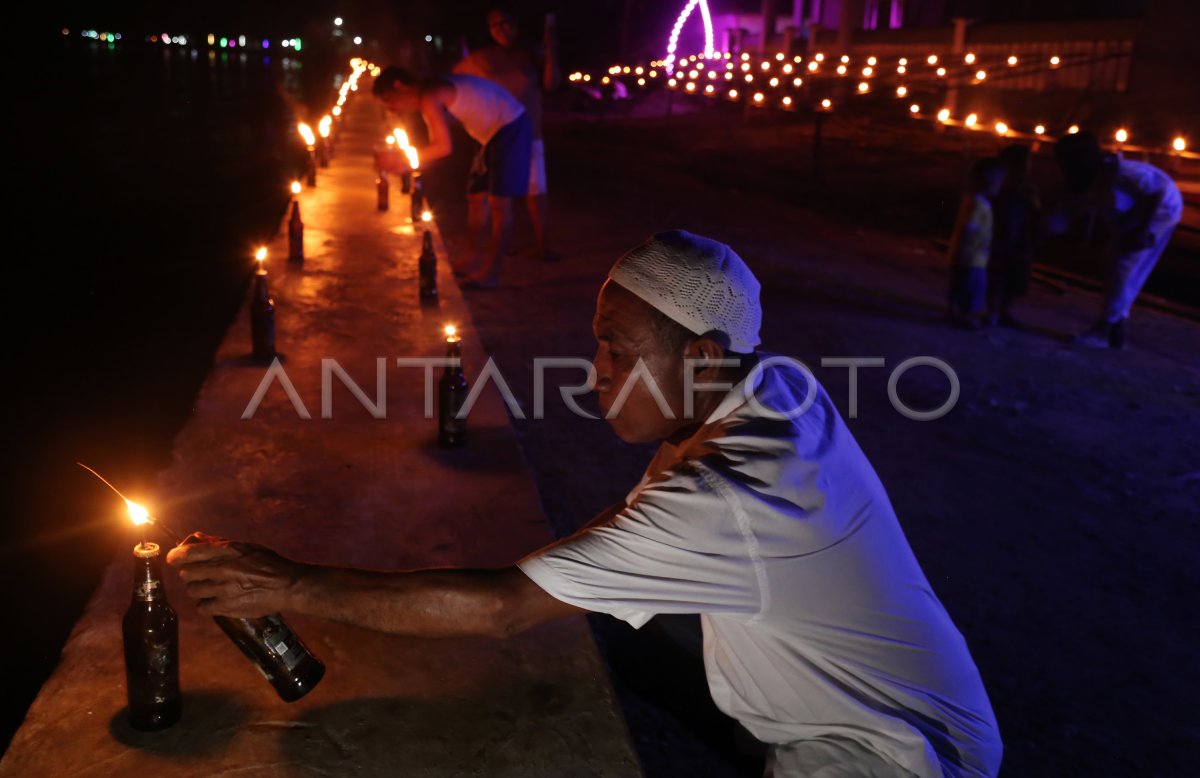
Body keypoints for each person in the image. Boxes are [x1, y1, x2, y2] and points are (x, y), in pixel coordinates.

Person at [169, 231, 1003, 777]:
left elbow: (501, 610)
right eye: (597, 341)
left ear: (704, 357)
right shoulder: (773, 385)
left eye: (617, 349)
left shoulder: (730, 494)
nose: (595, 369)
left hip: (890, 757)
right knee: (615, 622)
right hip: (924, 715)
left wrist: (288, 585)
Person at [373, 66, 532, 288]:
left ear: (400, 86)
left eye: (390, 100)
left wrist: (400, 161)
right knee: (475, 197)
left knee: (499, 203)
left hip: (509, 125)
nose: (392, 108)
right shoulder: (431, 92)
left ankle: (491, 272)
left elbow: (443, 147)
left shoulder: (430, 95)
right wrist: (406, 165)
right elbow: (437, 147)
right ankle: (471, 258)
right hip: (488, 135)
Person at [1052, 131, 1184, 349]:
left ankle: (1108, 327)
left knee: (1122, 266)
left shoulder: (1123, 172)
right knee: (1122, 268)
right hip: (1142, 214)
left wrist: (1143, 229)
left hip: (1162, 210)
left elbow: (1157, 192)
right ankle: (1115, 328)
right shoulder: (1097, 178)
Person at [455, 6, 561, 262]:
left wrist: (552, 49)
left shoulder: (533, 54)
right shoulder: (482, 58)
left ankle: (543, 245)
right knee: (497, 196)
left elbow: (552, 84)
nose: (501, 29)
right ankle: (495, 248)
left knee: (535, 192)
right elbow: (455, 81)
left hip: (529, 132)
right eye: (494, 25)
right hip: (494, 136)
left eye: (505, 23)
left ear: (516, 23)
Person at [947, 158, 1004, 329]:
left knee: (962, 286)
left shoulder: (974, 201)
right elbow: (968, 229)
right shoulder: (977, 205)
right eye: (998, 182)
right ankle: (966, 318)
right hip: (972, 259)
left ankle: (956, 314)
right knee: (973, 288)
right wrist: (963, 252)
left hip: (971, 257)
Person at [988, 145, 1040, 328]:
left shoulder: (1027, 190)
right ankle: (992, 312)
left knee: (1014, 279)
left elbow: (1035, 213)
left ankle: (1004, 311)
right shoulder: (998, 187)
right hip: (1000, 238)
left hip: (1019, 240)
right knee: (996, 277)